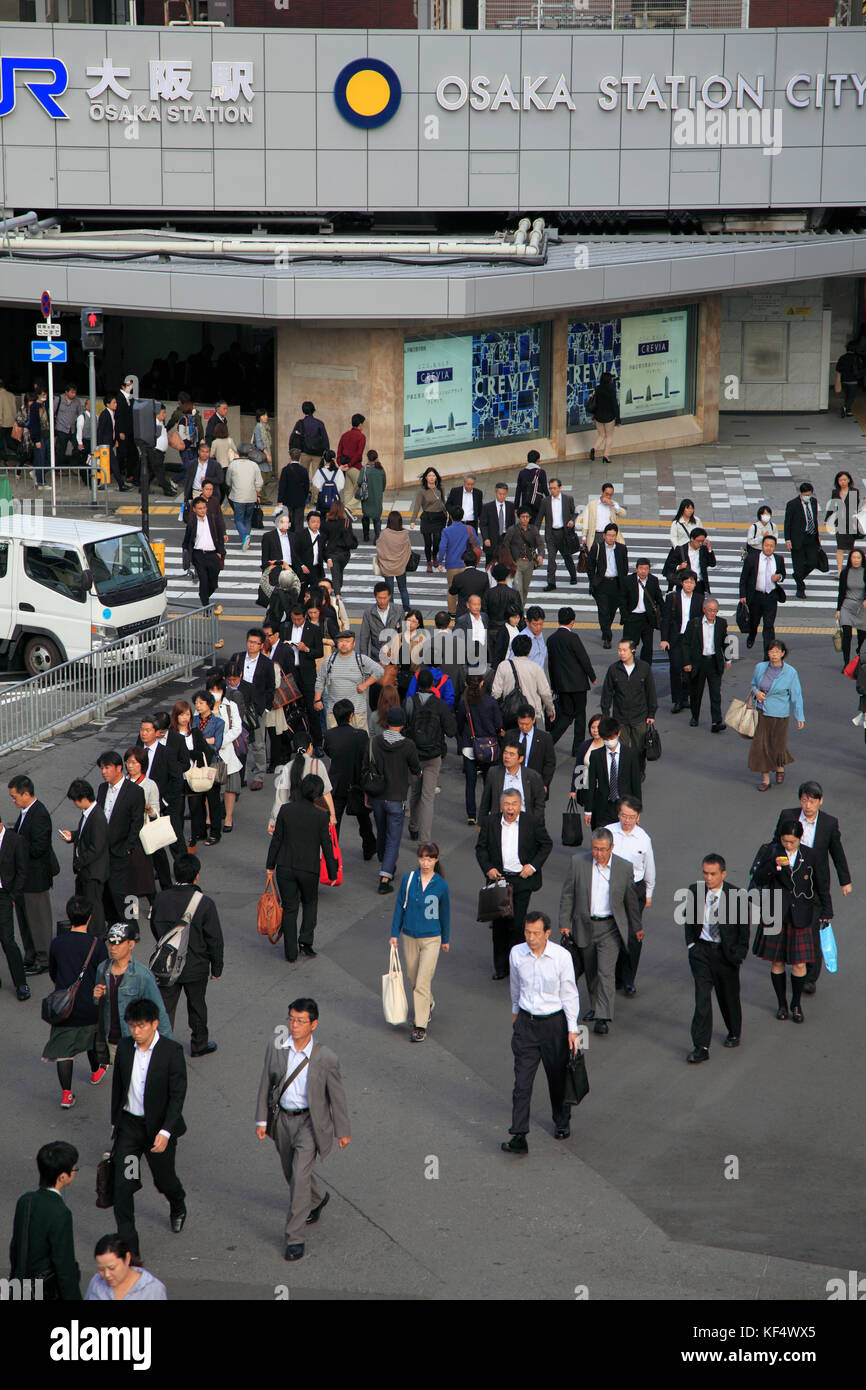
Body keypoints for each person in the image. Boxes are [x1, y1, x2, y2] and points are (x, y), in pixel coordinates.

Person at [255, 997, 351, 1261]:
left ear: (314, 1024)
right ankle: (316, 1199)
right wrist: (262, 1120)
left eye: (300, 1021)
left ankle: (294, 1238)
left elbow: (337, 1096)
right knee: (290, 1170)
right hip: (282, 1121)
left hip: (310, 1124)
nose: (294, 1025)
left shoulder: (326, 1058)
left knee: (298, 1177)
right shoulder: (277, 1048)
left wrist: (342, 1130)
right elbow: (267, 1082)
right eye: (291, 1019)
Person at [110, 997, 188, 1260]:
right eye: (132, 1026)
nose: (136, 1031)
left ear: (155, 1024)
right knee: (124, 1185)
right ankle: (131, 1250)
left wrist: (166, 1132)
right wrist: (115, 1122)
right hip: (130, 1129)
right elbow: (118, 1087)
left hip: (158, 1131)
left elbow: (177, 1095)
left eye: (141, 1026)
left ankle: (177, 1202)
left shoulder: (171, 1052)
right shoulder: (124, 1048)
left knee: (163, 1179)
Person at [501, 911, 579, 1153]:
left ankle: (561, 1120)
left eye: (536, 933)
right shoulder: (517, 953)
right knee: (521, 1082)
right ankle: (519, 1134)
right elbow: (515, 984)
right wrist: (515, 1011)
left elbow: (569, 993)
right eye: (527, 932)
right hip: (526, 1023)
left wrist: (573, 1029)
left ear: (547, 933)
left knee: (557, 1078)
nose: (531, 938)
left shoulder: (561, 957)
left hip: (554, 1025)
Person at [558, 827, 641, 1035]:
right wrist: (564, 922)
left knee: (606, 971)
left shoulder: (623, 868)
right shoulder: (578, 863)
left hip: (610, 927)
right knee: (592, 970)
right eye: (595, 849)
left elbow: (631, 901)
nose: (599, 854)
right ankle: (595, 1006)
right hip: (584, 925)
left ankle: (603, 1016)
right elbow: (568, 894)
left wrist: (637, 927)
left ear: (611, 848)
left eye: (603, 849)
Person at [774, 780, 851, 997]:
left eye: (813, 800)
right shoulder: (787, 816)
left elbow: (837, 852)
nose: (808, 805)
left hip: (815, 885)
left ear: (820, 801)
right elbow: (774, 843)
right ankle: (792, 961)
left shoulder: (828, 823)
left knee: (814, 931)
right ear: (800, 800)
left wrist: (844, 880)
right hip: (789, 883)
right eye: (805, 800)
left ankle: (809, 977)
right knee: (791, 925)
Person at [750, 821, 830, 1023]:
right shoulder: (772, 851)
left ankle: (796, 1004)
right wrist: (776, 865)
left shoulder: (810, 856)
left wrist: (827, 910)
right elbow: (758, 878)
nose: (788, 845)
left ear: (800, 838)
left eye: (792, 841)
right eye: (785, 841)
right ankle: (781, 1005)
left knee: (799, 964)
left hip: (801, 915)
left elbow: (821, 884)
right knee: (777, 962)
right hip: (776, 914)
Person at [149, 853, 222, 1056]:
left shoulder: (161, 898)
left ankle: (162, 1045)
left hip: (166, 963)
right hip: (196, 964)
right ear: (196, 876)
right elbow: (214, 938)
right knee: (197, 1005)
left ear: (175, 874)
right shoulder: (205, 903)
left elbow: (155, 927)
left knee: (166, 1007)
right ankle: (199, 1045)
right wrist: (217, 966)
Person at [476, 790, 553, 980]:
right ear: (501, 806)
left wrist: (533, 866)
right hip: (499, 880)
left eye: (515, 804)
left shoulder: (532, 822)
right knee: (500, 925)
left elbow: (546, 844)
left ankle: (518, 966)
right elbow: (481, 849)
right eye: (507, 804)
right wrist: (489, 869)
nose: (511, 808)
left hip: (522, 880)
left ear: (520, 805)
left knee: (518, 925)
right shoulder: (490, 822)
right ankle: (501, 967)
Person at [682, 853, 751, 1064]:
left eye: (712, 874)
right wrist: (692, 945)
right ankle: (701, 1046)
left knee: (728, 997)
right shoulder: (695, 891)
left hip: (725, 954)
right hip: (701, 952)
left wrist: (738, 956)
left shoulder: (736, 895)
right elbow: (688, 918)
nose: (708, 878)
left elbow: (743, 930)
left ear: (723, 873)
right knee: (702, 999)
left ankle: (733, 1031)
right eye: (705, 873)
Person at [42, 896, 108, 1109]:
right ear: (89, 918)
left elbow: (53, 972)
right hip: (90, 1004)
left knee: (64, 1052)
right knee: (92, 1039)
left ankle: (66, 1094)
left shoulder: (57, 943)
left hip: (65, 1007)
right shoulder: (97, 945)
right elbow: (103, 974)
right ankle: (96, 1072)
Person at [267, 776, 339, 963]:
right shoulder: (321, 816)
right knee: (310, 903)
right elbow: (327, 847)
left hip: (285, 866)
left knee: (289, 908)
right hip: (309, 868)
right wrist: (332, 873)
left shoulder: (286, 810)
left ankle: (290, 952)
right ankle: (305, 942)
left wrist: (270, 865)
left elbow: (277, 839)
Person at [390, 843, 450, 1043]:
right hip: (409, 936)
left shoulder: (441, 885)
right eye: (423, 858)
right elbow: (400, 906)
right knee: (413, 978)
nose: (426, 863)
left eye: (430, 859)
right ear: (418, 859)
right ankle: (428, 1002)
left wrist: (446, 939)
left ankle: (420, 1024)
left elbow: (445, 914)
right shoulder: (408, 880)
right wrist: (394, 934)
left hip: (432, 938)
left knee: (422, 981)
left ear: (436, 859)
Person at [9, 1141, 82, 1300]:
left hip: (20, 1286)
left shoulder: (25, 1201)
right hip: (43, 1290)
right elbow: (64, 1265)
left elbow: (16, 1247)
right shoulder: (61, 1213)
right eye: (74, 1169)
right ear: (62, 1176)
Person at [94, 921, 172, 1066]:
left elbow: (159, 1011)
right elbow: (98, 1005)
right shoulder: (101, 970)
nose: (113, 948)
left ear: (131, 944)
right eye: (110, 943)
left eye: (118, 943)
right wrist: (96, 997)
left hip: (137, 1043)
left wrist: (169, 1047)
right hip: (111, 1041)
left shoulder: (142, 975)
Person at [8, 775, 58, 978]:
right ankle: (30, 954)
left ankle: (43, 958)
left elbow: (38, 848)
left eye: (14, 796)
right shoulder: (26, 812)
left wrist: (15, 849)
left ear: (26, 794)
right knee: (25, 920)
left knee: (38, 920)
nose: (13, 800)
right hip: (23, 879)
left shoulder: (39, 815)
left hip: (35, 879)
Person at [367, 706, 421, 893]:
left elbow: (370, 769)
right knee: (393, 838)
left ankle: (386, 862)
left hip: (378, 797)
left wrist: (368, 796)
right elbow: (416, 769)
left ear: (387, 722)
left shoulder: (375, 742)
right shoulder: (408, 745)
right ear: (403, 723)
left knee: (382, 832)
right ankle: (384, 878)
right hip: (397, 797)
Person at [607, 796, 655, 997]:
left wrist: (649, 892)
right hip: (610, 888)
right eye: (624, 815)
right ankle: (612, 977)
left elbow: (649, 868)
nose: (627, 820)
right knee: (611, 933)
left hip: (635, 890)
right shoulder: (608, 832)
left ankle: (628, 979)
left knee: (633, 935)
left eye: (632, 817)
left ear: (638, 817)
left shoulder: (643, 838)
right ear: (618, 814)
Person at [405, 669, 457, 844]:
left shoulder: (410, 702)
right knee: (428, 797)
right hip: (433, 755)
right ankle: (424, 841)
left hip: (414, 755)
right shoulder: (440, 705)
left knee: (415, 792)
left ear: (418, 684)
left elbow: (404, 727)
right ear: (433, 685)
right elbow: (451, 731)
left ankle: (413, 826)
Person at [96, 751, 146, 925]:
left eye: (107, 767)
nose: (103, 771)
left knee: (123, 891)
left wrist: (129, 847)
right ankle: (113, 923)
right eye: (102, 768)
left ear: (119, 768)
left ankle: (132, 927)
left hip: (122, 849)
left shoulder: (135, 791)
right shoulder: (102, 789)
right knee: (106, 889)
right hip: (103, 850)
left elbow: (136, 822)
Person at [748, 640, 805, 791]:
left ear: (782, 653)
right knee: (761, 746)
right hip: (762, 711)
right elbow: (753, 684)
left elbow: (796, 695)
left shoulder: (791, 672)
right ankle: (766, 780)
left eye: (776, 652)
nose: (773, 655)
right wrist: (756, 693)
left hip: (780, 714)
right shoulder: (760, 667)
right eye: (770, 652)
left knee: (777, 745)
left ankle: (780, 767)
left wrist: (800, 716)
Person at [324, 700, 377, 859]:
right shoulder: (361, 735)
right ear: (351, 716)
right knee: (363, 818)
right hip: (356, 783)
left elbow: (330, 753)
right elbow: (366, 758)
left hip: (337, 783)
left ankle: (332, 854)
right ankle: (369, 847)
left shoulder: (329, 735)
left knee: (335, 820)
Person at [60, 780, 109, 937]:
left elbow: (96, 847)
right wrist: (73, 836)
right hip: (86, 871)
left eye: (75, 800)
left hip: (92, 872)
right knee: (86, 904)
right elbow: (83, 834)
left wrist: (79, 861)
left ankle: (97, 936)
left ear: (84, 798)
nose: (75, 804)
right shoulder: (89, 814)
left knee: (93, 906)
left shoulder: (98, 817)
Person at [600, 637, 657, 771]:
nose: (621, 653)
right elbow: (607, 692)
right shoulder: (613, 669)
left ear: (633, 650)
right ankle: (624, 775)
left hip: (640, 717)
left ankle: (639, 772)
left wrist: (651, 713)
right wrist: (605, 714)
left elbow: (651, 692)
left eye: (624, 650)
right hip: (620, 718)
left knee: (639, 749)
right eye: (619, 650)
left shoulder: (644, 668)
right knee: (622, 750)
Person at [545, 607, 597, 752]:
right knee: (580, 714)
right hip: (578, 684)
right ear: (572, 622)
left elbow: (551, 664)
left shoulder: (551, 639)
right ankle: (577, 748)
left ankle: (550, 740)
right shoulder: (573, 638)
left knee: (567, 714)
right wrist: (592, 676)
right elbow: (583, 658)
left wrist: (554, 685)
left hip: (561, 685)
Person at [230, 628, 275, 791]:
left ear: (261, 645)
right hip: (236, 706)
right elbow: (228, 677)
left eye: (256, 643)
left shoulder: (267, 663)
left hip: (257, 708)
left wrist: (266, 708)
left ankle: (259, 776)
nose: (252, 646)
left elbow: (271, 688)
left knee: (258, 744)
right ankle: (241, 775)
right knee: (238, 742)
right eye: (250, 642)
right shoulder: (237, 658)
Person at [455, 674, 503, 826]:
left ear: (465, 684)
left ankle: (471, 815)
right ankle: (487, 810)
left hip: (470, 745)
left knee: (471, 782)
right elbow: (498, 724)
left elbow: (459, 725)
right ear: (482, 683)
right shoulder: (491, 702)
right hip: (488, 747)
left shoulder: (464, 703)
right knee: (488, 782)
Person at [170, 699, 217, 852]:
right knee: (178, 810)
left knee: (196, 808)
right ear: (175, 716)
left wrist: (188, 754)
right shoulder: (170, 735)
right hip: (178, 777)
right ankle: (179, 840)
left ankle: (195, 838)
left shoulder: (195, 733)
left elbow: (206, 753)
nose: (185, 718)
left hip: (195, 775)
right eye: (181, 714)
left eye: (188, 714)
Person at [316, 630, 382, 733]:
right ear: (337, 643)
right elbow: (320, 679)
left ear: (353, 643)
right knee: (335, 743)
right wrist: (317, 699)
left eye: (347, 641)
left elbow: (379, 671)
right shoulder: (329, 660)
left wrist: (365, 684)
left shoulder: (361, 659)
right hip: (334, 712)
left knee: (359, 743)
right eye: (341, 641)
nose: (344, 644)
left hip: (357, 712)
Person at [270, 731, 336, 831]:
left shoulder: (288, 767)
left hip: (294, 818)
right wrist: (332, 815)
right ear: (310, 746)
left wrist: (273, 821)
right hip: (316, 816)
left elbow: (281, 798)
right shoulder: (318, 764)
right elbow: (326, 793)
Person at [583, 716, 641, 830]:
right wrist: (588, 810)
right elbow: (590, 783)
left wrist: (637, 810)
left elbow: (636, 784)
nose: (609, 741)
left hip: (625, 807)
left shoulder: (630, 754)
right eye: (606, 739)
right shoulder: (596, 755)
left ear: (618, 733)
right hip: (603, 807)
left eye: (611, 738)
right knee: (603, 839)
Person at [683, 598, 729, 734]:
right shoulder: (694, 623)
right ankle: (695, 716)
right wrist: (686, 662)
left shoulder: (721, 623)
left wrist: (728, 659)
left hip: (714, 662)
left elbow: (725, 641)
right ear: (704, 610)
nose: (712, 613)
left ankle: (716, 721)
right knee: (696, 693)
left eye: (715, 611)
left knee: (715, 693)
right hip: (698, 662)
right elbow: (685, 643)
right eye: (710, 610)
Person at [491, 633, 555, 728]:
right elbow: (545, 693)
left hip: (510, 714)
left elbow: (495, 693)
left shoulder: (503, 666)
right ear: (529, 651)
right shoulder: (535, 668)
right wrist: (550, 710)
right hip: (531, 714)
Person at [206, 673, 244, 832]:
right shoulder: (202, 706)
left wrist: (220, 741)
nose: (215, 692)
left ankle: (228, 817)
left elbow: (237, 728)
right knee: (208, 786)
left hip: (227, 752)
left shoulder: (230, 706)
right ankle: (209, 817)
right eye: (212, 689)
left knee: (230, 787)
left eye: (218, 689)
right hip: (208, 753)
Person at [122, 747, 158, 915]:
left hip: (142, 833)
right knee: (128, 875)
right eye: (128, 762)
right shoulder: (122, 782)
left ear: (142, 764)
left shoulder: (150, 785)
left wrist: (149, 809)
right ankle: (131, 912)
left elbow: (157, 813)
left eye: (134, 762)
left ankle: (154, 903)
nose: (130, 766)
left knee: (143, 871)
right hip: (123, 833)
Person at [660, 573, 702, 714]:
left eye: (691, 582)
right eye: (686, 582)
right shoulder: (672, 597)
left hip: (692, 639)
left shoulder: (699, 599)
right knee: (676, 668)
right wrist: (664, 639)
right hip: (675, 638)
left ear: (695, 584)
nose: (689, 585)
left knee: (688, 669)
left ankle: (686, 698)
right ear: (682, 583)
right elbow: (665, 619)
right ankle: (677, 700)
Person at [479, 736, 546, 823]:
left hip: (523, 824)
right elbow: (485, 801)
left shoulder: (533, 776)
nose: (507, 757)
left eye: (511, 754)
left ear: (520, 759)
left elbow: (539, 806)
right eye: (505, 753)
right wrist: (481, 823)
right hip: (499, 824)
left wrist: (536, 827)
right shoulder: (494, 773)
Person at [739, 534, 786, 655]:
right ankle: (752, 635)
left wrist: (779, 577)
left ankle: (768, 654)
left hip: (771, 596)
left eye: (771, 546)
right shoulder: (752, 558)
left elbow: (783, 574)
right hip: (755, 596)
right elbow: (744, 577)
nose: (769, 548)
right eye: (766, 545)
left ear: (775, 547)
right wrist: (742, 595)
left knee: (769, 626)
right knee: (754, 622)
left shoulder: (779, 559)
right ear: (762, 546)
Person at [85, 1234, 167, 1301]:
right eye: (101, 1269)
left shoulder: (153, 1290)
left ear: (127, 1258)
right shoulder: (96, 1281)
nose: (107, 1275)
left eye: (112, 1268)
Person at [586, 523, 628, 649]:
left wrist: (624, 583)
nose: (611, 538)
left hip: (616, 584)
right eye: (609, 535)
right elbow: (590, 566)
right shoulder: (597, 547)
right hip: (602, 584)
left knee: (611, 612)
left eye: (613, 535)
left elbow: (625, 567)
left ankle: (606, 629)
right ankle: (607, 637)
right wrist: (593, 581)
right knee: (603, 611)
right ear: (604, 535)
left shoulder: (621, 548)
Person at [191, 692, 224, 845]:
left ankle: (216, 832)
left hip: (211, 763)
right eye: (196, 703)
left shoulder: (218, 722)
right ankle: (201, 831)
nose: (198, 706)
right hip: (196, 764)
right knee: (197, 800)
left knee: (213, 800)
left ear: (209, 704)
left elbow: (217, 744)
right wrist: (206, 740)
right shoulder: (193, 720)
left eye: (201, 703)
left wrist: (199, 740)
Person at [182, 495, 225, 608]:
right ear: (194, 510)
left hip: (213, 554)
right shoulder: (192, 524)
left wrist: (220, 552)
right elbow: (186, 541)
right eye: (199, 508)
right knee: (204, 581)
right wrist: (188, 556)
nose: (202, 510)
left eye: (204, 508)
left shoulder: (213, 519)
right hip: (198, 555)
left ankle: (203, 595)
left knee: (213, 583)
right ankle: (205, 605)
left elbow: (220, 536)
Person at [783, 482, 822, 600]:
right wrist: (787, 539)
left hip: (811, 536)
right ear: (800, 493)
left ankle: (798, 576)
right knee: (798, 564)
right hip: (797, 538)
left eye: (809, 494)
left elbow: (814, 519)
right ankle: (800, 588)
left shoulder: (814, 502)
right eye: (805, 495)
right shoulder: (792, 504)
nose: (807, 497)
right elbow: (787, 523)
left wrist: (817, 535)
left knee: (813, 561)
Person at [437, 507, 479, 615]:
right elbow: (477, 544)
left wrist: (440, 562)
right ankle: (466, 610)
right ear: (462, 516)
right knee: (467, 589)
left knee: (452, 589)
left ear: (451, 517)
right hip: (466, 564)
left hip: (452, 564)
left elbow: (442, 547)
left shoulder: (446, 531)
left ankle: (452, 612)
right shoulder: (469, 529)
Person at [621, 558, 663, 666]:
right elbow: (622, 599)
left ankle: (645, 668)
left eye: (646, 569)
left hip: (647, 618)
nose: (643, 571)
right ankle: (628, 666)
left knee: (648, 646)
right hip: (632, 617)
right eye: (641, 568)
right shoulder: (628, 580)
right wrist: (625, 616)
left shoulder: (653, 580)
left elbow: (659, 599)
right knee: (630, 645)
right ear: (636, 569)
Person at [409, 466, 448, 572]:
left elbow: (444, 503)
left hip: (440, 518)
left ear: (436, 477)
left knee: (437, 541)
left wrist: (449, 515)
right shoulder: (422, 491)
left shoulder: (440, 488)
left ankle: (434, 555)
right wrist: (413, 520)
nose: (431, 478)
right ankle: (429, 562)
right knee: (428, 543)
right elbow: (417, 506)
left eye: (433, 475)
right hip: (427, 518)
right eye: (429, 475)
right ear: (426, 477)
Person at [225, 445, 263, 551]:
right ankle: (246, 539)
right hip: (251, 496)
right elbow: (259, 482)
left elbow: (228, 481)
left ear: (238, 453)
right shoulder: (254, 465)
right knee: (248, 519)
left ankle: (244, 537)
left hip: (238, 496)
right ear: (249, 453)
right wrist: (258, 493)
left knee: (238, 520)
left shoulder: (233, 465)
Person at [503, 506, 543, 606]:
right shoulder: (512, 530)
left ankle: (521, 609)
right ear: (519, 517)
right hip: (516, 563)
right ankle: (519, 612)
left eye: (527, 517)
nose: (525, 519)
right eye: (522, 517)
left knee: (525, 589)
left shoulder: (533, 530)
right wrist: (509, 561)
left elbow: (540, 544)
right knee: (518, 589)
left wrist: (541, 555)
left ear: (530, 518)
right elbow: (505, 545)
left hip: (529, 563)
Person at [515, 705, 556, 799]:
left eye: (527, 724)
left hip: (535, 785)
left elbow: (550, 763)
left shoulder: (545, 738)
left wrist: (545, 783)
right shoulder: (510, 736)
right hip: (514, 784)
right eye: (521, 723)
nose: (524, 727)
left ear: (533, 720)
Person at [825, 470, 861, 574]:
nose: (843, 482)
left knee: (850, 548)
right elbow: (832, 506)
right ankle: (840, 571)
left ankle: (850, 569)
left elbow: (856, 507)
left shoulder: (854, 491)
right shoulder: (835, 492)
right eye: (840, 480)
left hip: (851, 522)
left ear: (849, 480)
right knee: (840, 548)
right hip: (839, 522)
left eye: (845, 480)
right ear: (838, 481)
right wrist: (826, 519)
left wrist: (856, 522)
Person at [835, 546, 866, 667]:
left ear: (862, 559)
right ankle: (846, 663)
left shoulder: (865, 572)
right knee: (847, 635)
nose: (856, 560)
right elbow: (841, 592)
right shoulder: (845, 572)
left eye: (858, 557)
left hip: (862, 608)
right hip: (847, 606)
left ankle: (859, 658)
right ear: (850, 559)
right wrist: (838, 609)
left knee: (862, 637)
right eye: (854, 557)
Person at [377, 510, 413, 611]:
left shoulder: (384, 534)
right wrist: (403, 562)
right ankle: (406, 611)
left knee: (389, 592)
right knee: (403, 589)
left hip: (387, 567)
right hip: (400, 567)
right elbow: (408, 550)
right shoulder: (404, 534)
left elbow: (379, 549)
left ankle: (391, 611)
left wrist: (383, 560)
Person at [663, 527, 716, 595]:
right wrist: (679, 567)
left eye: (702, 541)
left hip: (699, 584)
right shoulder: (680, 549)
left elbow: (712, 563)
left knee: (698, 604)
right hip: (684, 584)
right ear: (692, 539)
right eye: (698, 541)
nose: (700, 543)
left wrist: (709, 550)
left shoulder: (704, 550)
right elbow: (670, 565)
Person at [359, 581, 402, 661]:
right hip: (376, 657)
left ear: (389, 596)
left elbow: (403, 634)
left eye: (384, 598)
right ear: (375, 597)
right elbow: (364, 638)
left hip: (395, 657)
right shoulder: (368, 613)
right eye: (379, 598)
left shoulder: (398, 610)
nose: (382, 601)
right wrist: (363, 660)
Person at [322, 498, 357, 594]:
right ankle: (338, 592)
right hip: (345, 554)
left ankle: (337, 595)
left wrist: (325, 555)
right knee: (339, 572)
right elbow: (350, 537)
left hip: (332, 553)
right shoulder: (346, 522)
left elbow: (322, 541)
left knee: (335, 576)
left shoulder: (327, 523)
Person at [581, 481, 627, 548]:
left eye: (610, 495)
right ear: (601, 492)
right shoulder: (592, 504)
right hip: (595, 535)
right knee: (595, 556)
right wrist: (584, 537)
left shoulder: (613, 504)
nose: (608, 497)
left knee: (609, 556)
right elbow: (586, 522)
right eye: (606, 494)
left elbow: (623, 513)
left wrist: (613, 505)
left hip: (609, 535)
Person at [587, 371, 619, 464]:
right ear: (609, 380)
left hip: (598, 417)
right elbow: (615, 405)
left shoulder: (597, 389)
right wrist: (618, 419)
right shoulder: (611, 391)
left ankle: (594, 448)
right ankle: (606, 456)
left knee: (601, 435)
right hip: (609, 417)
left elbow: (594, 402)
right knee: (609, 437)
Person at [290, 401, 329, 476]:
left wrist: (291, 450)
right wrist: (326, 451)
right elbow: (325, 439)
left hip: (305, 452)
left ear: (303, 410)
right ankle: (315, 488)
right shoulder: (319, 423)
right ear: (313, 409)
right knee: (317, 476)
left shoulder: (300, 423)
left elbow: (293, 437)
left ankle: (305, 488)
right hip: (318, 453)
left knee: (303, 475)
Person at [295, 509, 332, 589]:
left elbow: (323, 550)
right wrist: (301, 565)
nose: (316, 524)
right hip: (304, 569)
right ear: (308, 522)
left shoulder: (321, 535)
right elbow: (295, 552)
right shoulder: (300, 535)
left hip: (316, 569)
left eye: (318, 522)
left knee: (316, 592)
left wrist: (328, 559)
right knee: (302, 593)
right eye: (313, 521)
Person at [484, 562, 523, 638]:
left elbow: (484, 612)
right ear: (507, 576)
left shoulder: (489, 593)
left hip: (492, 628)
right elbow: (519, 612)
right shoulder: (514, 593)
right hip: (508, 629)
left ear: (494, 577)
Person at [277, 448, 310, 533]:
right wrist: (306, 498)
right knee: (299, 521)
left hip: (288, 499)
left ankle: (289, 536)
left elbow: (282, 486)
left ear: (290, 457)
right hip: (300, 499)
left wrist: (280, 499)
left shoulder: (286, 470)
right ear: (299, 458)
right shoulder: (303, 470)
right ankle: (298, 539)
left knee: (288, 520)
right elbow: (307, 486)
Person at [480, 483, 516, 562]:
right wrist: (486, 538)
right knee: (490, 564)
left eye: (504, 494)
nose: (502, 496)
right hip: (491, 539)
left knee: (505, 564)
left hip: (505, 539)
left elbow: (512, 524)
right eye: (500, 494)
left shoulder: (510, 506)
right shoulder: (487, 507)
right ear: (495, 493)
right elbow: (483, 525)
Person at [357, 448, 386, 541]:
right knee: (376, 517)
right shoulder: (381, 469)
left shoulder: (365, 469)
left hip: (366, 497)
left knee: (365, 516)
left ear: (368, 458)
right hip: (377, 497)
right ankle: (377, 537)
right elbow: (384, 484)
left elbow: (359, 482)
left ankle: (366, 536)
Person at [182, 440, 222, 506]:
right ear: (198, 452)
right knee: (197, 513)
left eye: (207, 452)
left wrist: (207, 479)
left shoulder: (215, 465)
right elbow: (188, 479)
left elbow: (220, 479)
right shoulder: (192, 464)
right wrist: (186, 495)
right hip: (196, 492)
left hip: (210, 494)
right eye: (202, 451)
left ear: (209, 453)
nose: (204, 454)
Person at [514, 449, 549, 524]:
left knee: (526, 525)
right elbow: (545, 489)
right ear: (538, 460)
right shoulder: (541, 472)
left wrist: (516, 507)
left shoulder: (522, 473)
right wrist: (551, 501)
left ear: (528, 460)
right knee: (535, 525)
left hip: (525, 503)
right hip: (537, 504)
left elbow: (518, 491)